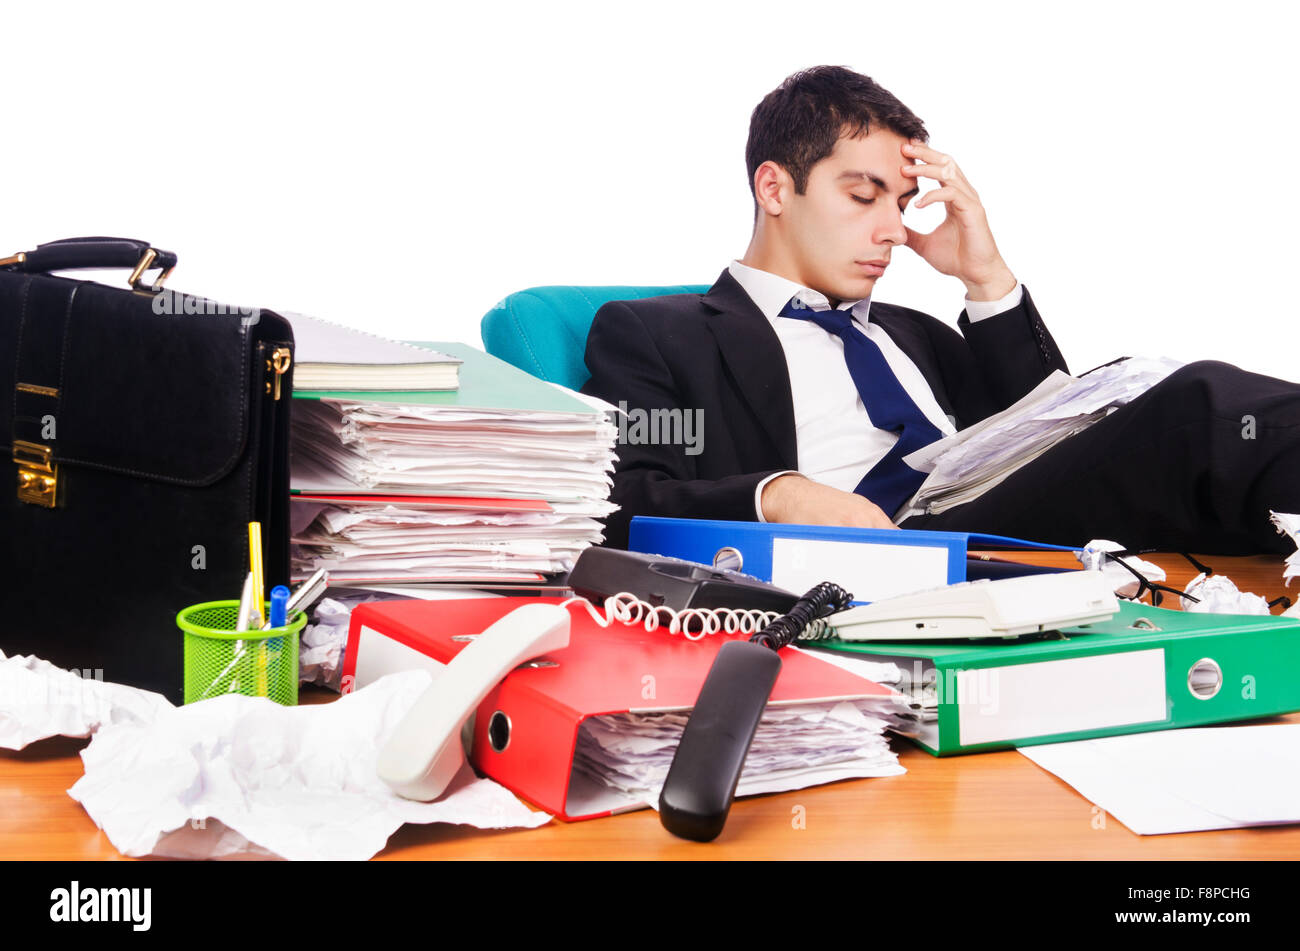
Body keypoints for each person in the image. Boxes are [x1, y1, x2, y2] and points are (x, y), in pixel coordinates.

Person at [581, 65, 1300, 555]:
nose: (893, 229)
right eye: (863, 197)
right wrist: (781, 496)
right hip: (881, 551)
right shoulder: (658, 334)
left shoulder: (915, 337)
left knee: (1204, 475)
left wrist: (984, 274)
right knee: (1197, 410)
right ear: (774, 189)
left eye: (899, 203)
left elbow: (1064, 440)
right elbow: (623, 498)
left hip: (988, 523)